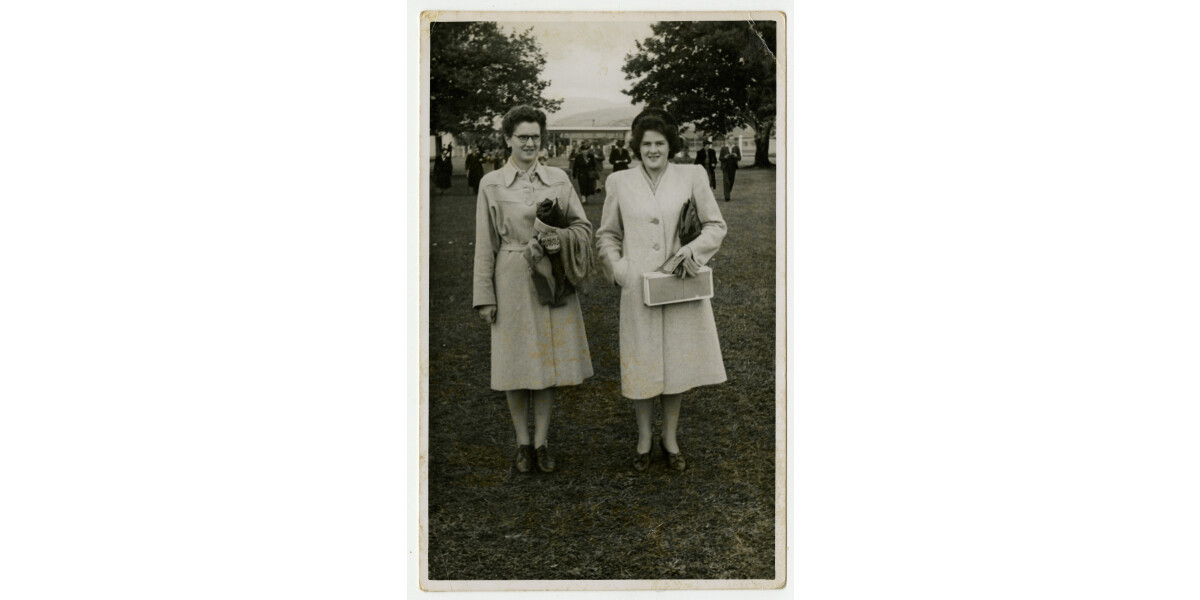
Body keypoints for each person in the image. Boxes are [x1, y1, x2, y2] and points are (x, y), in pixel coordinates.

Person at [596, 110, 728, 473]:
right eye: (647, 144)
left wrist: (693, 250)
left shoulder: (692, 175)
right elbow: (607, 234)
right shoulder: (620, 181)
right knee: (642, 361)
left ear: (671, 146)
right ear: (637, 146)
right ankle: (643, 439)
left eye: (660, 143)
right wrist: (619, 269)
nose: (653, 150)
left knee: (676, 361)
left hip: (680, 284)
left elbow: (715, 225)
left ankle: (669, 439)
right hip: (638, 286)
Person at [472, 105, 594, 474]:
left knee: (546, 361)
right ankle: (521, 444)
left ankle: (541, 442)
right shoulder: (491, 183)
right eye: (522, 136)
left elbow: (583, 228)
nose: (529, 143)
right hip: (510, 279)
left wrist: (558, 238)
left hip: (550, 279)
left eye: (535, 137)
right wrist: (484, 297)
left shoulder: (558, 178)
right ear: (507, 139)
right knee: (514, 363)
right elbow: (484, 243)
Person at [719, 136, 742, 202]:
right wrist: (725, 157)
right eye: (730, 139)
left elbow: (739, 158)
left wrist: (736, 156)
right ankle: (727, 197)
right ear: (728, 140)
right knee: (726, 182)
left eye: (733, 139)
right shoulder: (723, 148)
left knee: (731, 182)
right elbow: (720, 158)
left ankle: (727, 193)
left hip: (733, 167)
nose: (731, 140)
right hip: (725, 167)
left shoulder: (736, 148)